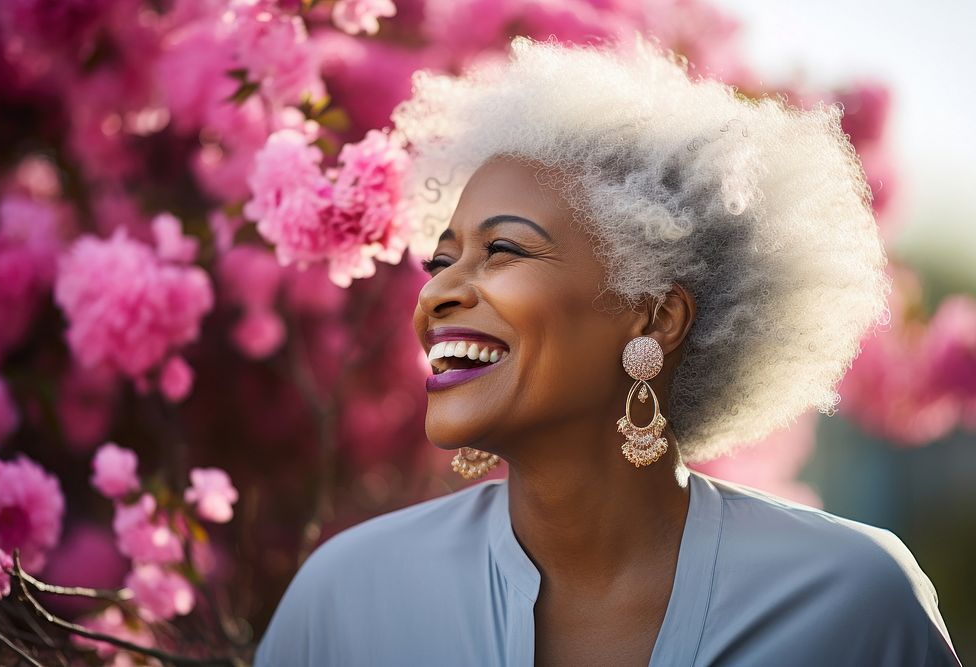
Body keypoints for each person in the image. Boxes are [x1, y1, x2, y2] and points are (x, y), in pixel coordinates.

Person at [254, 36, 962, 666]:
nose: (437, 293)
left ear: (655, 314)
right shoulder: (347, 597)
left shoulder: (850, 603)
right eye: (441, 260)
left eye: (502, 249)